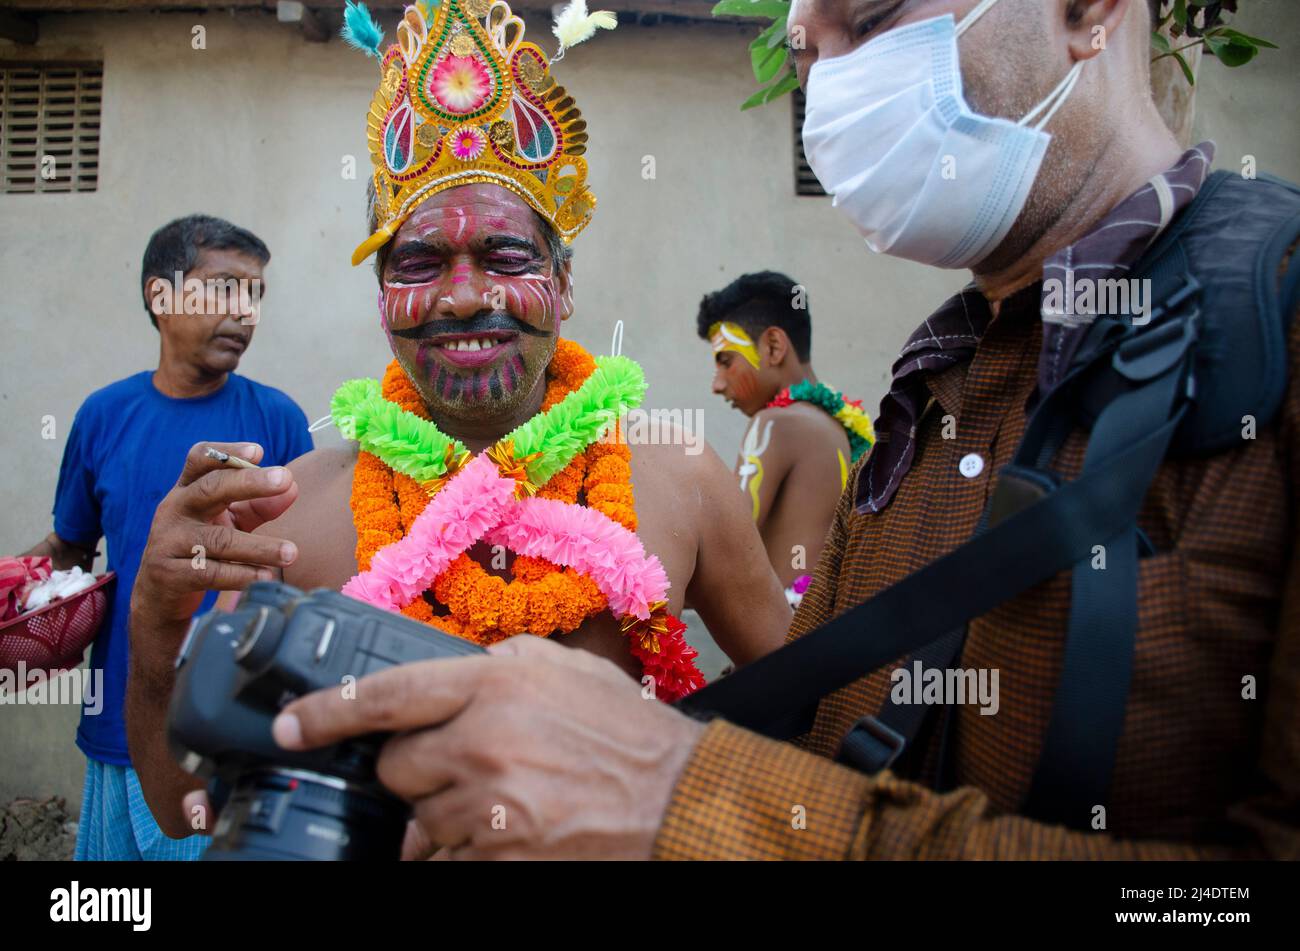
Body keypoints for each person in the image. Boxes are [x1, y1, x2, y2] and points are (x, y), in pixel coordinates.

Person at [124, 0, 791, 843]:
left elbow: (813, 699)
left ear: (566, 282)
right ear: (382, 299)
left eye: (508, 257)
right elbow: (178, 805)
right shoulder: (289, 512)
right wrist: (154, 620)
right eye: (419, 262)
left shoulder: (684, 478)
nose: (465, 295)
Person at [23, 214, 312, 860]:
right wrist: (21, 590)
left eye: (255, 294)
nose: (244, 312)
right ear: (161, 296)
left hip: (220, 742)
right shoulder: (102, 417)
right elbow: (68, 551)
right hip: (115, 728)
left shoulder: (278, 421)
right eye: (224, 288)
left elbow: (301, 573)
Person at [697, 271, 873, 605]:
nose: (717, 385)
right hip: (834, 630)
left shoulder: (773, 425)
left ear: (774, 346)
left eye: (726, 361)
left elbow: (725, 555)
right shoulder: (838, 425)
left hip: (786, 640)